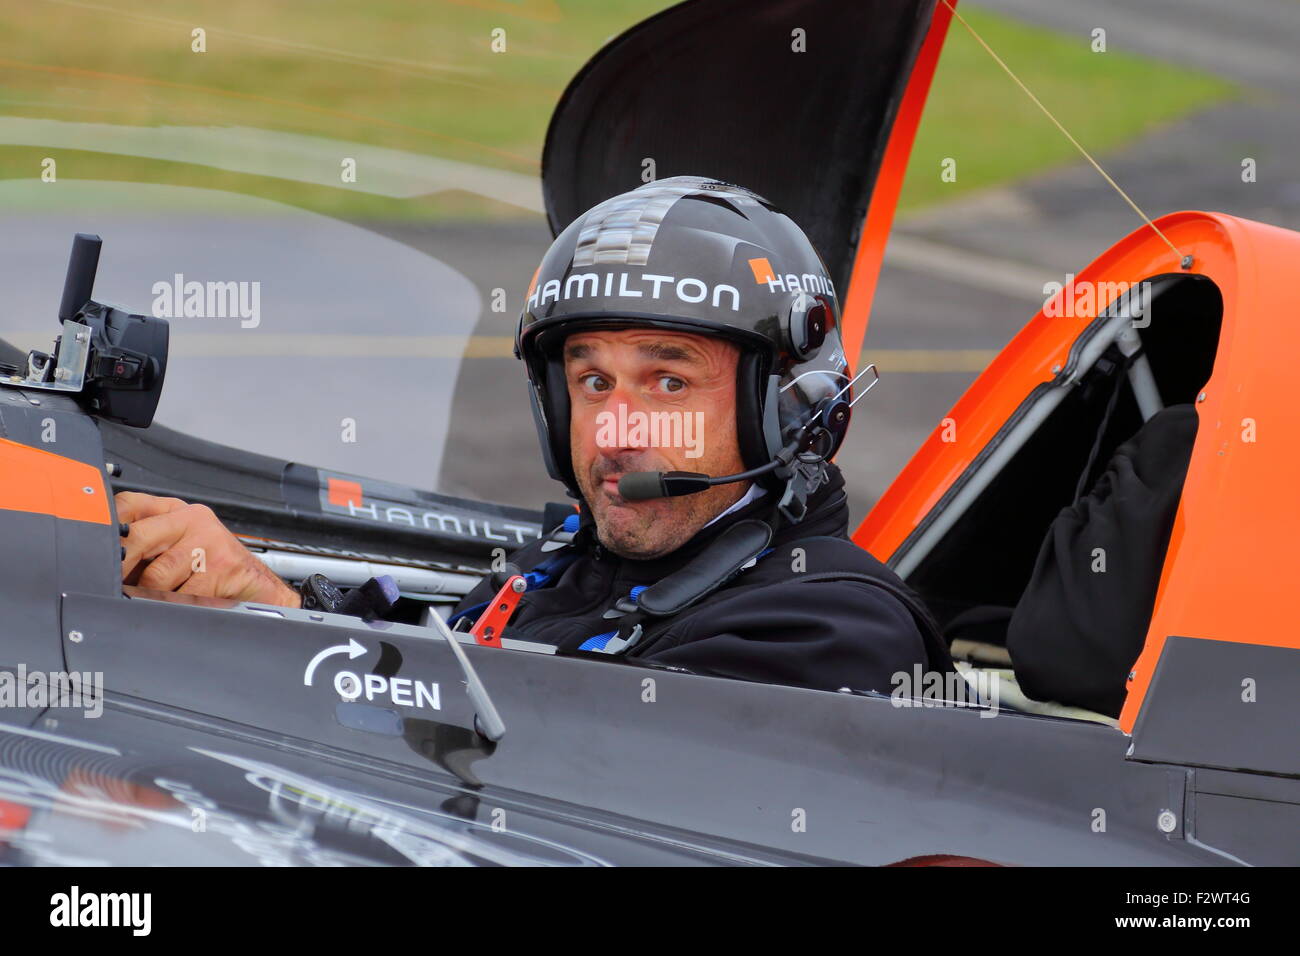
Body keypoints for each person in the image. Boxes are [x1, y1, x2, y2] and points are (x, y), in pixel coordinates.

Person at [117, 176, 951, 694]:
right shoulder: (575, 567)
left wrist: (276, 621)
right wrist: (278, 602)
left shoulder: (829, 630)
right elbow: (449, 670)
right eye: (593, 381)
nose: (616, 430)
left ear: (786, 408)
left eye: (668, 380)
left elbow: (563, 763)